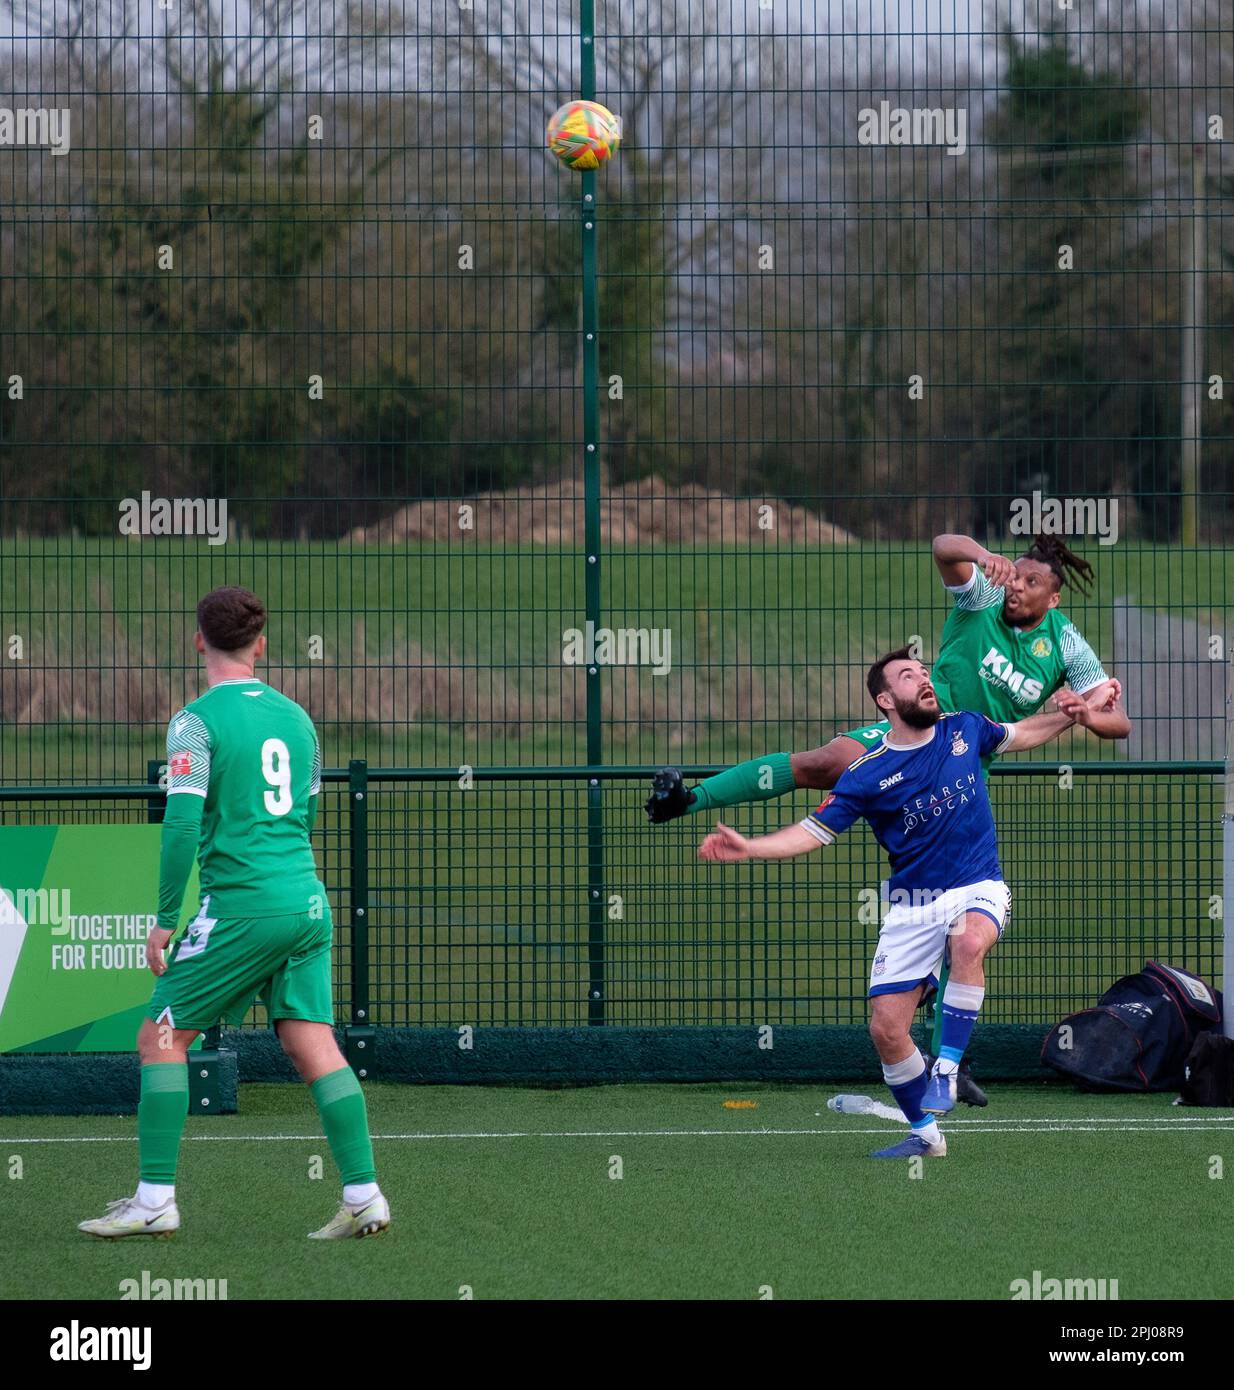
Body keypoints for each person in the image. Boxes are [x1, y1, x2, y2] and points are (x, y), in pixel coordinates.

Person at [696, 647, 1114, 1158]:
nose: (924, 681)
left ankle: (947, 1069)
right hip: (912, 905)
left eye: (923, 673)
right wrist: (750, 847)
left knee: (968, 941)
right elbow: (811, 833)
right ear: (885, 699)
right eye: (907, 676)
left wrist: (1073, 715)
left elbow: (1023, 732)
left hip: (977, 885)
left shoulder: (965, 727)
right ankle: (926, 1135)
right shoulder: (866, 775)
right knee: (887, 1029)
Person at [78, 586, 390, 1240]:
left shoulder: (194, 722)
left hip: (245, 906)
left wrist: (166, 917)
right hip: (306, 902)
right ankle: (365, 1194)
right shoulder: (299, 720)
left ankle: (155, 1199)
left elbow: (181, 826)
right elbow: (304, 816)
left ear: (199, 641)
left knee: (160, 1038)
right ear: (262, 645)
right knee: (312, 1044)